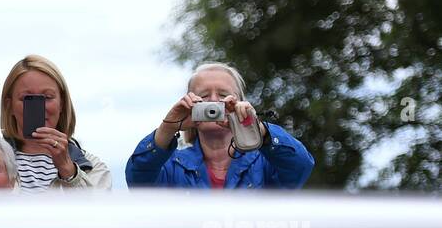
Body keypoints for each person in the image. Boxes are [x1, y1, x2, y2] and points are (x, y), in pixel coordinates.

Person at [0, 31, 111, 191]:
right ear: (9, 105)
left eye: (47, 97)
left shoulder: (92, 167)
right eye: (26, 98)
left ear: (62, 104)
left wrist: (68, 170)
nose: (39, 106)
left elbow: (96, 219)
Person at [126, 62, 315, 189]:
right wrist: (168, 127)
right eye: (204, 96)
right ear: (189, 105)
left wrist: (257, 129)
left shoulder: (265, 164)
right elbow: (138, 179)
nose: (215, 102)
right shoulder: (171, 167)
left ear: (241, 103)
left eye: (224, 96)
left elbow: (300, 166)